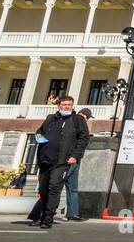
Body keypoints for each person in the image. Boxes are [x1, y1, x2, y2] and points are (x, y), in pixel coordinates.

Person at [28, 95, 90, 229]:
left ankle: (48, 218)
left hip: (62, 162)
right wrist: (38, 133)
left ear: (72, 106)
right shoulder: (51, 118)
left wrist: (75, 156)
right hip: (45, 160)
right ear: (59, 106)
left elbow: (83, 139)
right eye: (64, 104)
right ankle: (42, 215)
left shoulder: (77, 120)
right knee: (43, 190)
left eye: (69, 104)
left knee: (54, 189)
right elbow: (40, 130)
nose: (67, 107)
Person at [62, 108, 91, 221]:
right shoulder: (73, 121)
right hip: (68, 160)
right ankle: (39, 212)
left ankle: (73, 213)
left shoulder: (77, 123)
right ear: (83, 115)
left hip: (75, 160)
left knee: (72, 188)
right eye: (87, 117)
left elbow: (82, 140)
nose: (87, 120)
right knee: (56, 186)